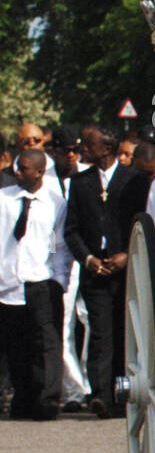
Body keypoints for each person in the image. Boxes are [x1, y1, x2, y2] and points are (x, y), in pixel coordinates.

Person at [63, 125, 144, 418]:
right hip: (95, 271)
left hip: (126, 271)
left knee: (124, 330)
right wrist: (87, 259)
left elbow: (142, 222)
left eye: (89, 143)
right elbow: (70, 230)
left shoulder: (134, 181)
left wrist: (127, 254)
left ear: (106, 149)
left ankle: (125, 392)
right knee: (100, 332)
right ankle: (100, 394)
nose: (83, 147)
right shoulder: (80, 183)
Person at [0, 149, 71, 420]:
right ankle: (24, 397)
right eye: (18, 167)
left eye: (25, 168)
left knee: (47, 342)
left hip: (40, 279)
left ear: (40, 171)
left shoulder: (54, 203)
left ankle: (48, 399)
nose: (18, 172)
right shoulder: (4, 200)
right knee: (16, 344)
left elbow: (58, 244)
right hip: (8, 282)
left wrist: (59, 278)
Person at [47, 127, 92, 411]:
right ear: (55, 152)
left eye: (76, 150)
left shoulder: (87, 174)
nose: (72, 156)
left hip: (87, 256)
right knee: (64, 327)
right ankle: (75, 390)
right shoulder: (46, 179)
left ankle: (89, 382)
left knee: (90, 322)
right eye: (66, 152)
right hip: (58, 259)